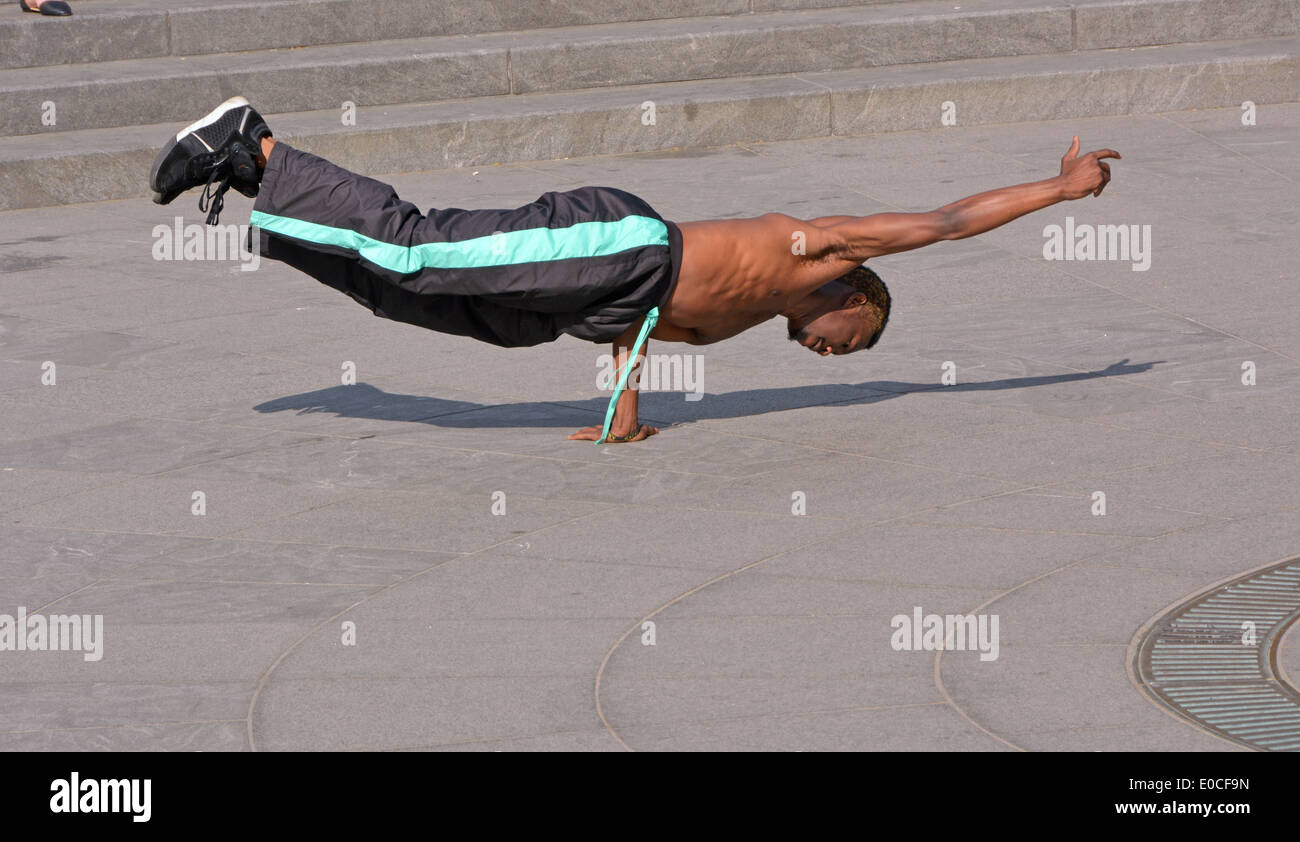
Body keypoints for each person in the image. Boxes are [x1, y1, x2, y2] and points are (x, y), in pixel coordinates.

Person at [150, 97, 1119, 443]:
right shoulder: (816, 247)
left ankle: (247, 182)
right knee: (426, 247)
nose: (832, 353)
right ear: (850, 296)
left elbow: (638, 326)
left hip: (606, 289)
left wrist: (621, 415)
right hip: (618, 242)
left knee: (424, 300)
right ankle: (261, 144)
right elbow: (950, 221)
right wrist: (1059, 188)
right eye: (849, 341)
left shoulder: (744, 319)